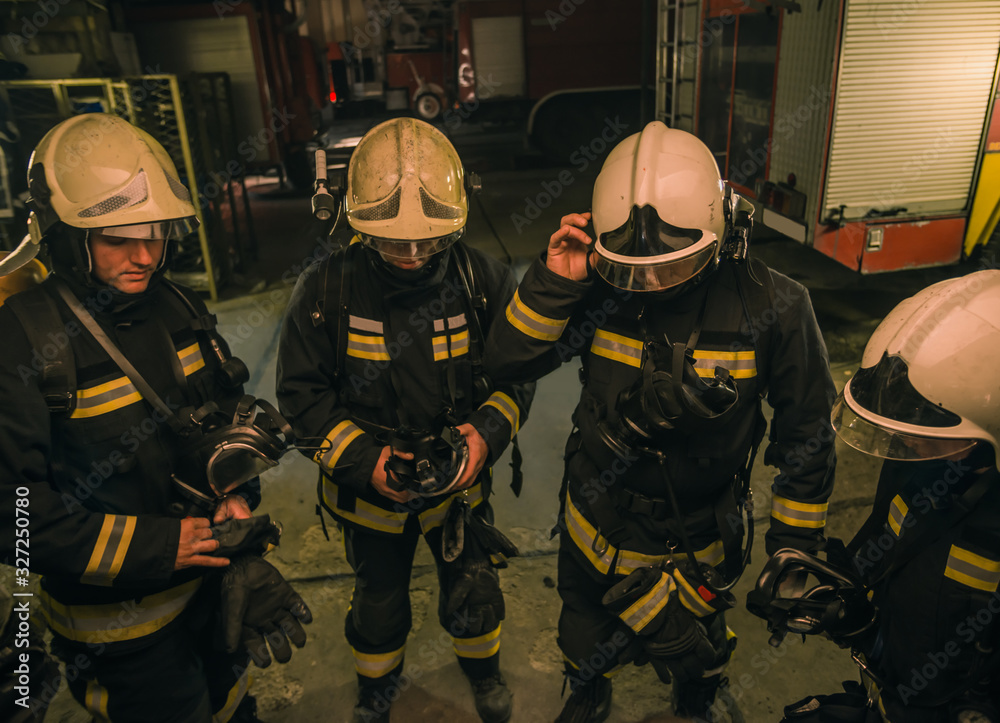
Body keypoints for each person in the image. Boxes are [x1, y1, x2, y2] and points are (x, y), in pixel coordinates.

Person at [483, 121, 837, 722]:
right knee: (585, 630)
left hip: (700, 535)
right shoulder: (596, 284)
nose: (648, 281)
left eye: (674, 266)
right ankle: (589, 687)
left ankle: (697, 692)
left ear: (721, 231)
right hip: (596, 518)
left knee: (701, 643)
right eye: (631, 268)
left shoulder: (775, 304)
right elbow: (507, 362)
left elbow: (807, 434)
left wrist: (793, 549)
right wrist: (553, 285)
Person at [0, 113, 309, 723]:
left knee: (231, 706)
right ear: (64, 236)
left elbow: (218, 421)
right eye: (117, 237)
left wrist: (234, 498)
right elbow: (15, 516)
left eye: (157, 232)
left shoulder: (176, 304)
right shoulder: (21, 339)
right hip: (118, 633)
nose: (146, 255)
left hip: (212, 588)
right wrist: (159, 546)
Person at [276, 117, 535, 723]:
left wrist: (485, 436)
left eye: (429, 239)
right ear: (358, 220)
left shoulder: (484, 281)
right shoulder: (326, 289)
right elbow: (300, 394)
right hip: (368, 498)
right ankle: (376, 690)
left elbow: (517, 374)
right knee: (378, 601)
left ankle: (483, 672)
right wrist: (367, 465)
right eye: (394, 241)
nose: (414, 254)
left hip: (459, 492)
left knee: (473, 589)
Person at [766, 269, 1000, 722]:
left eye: (926, 430)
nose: (908, 446)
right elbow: (889, 553)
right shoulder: (926, 461)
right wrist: (848, 604)